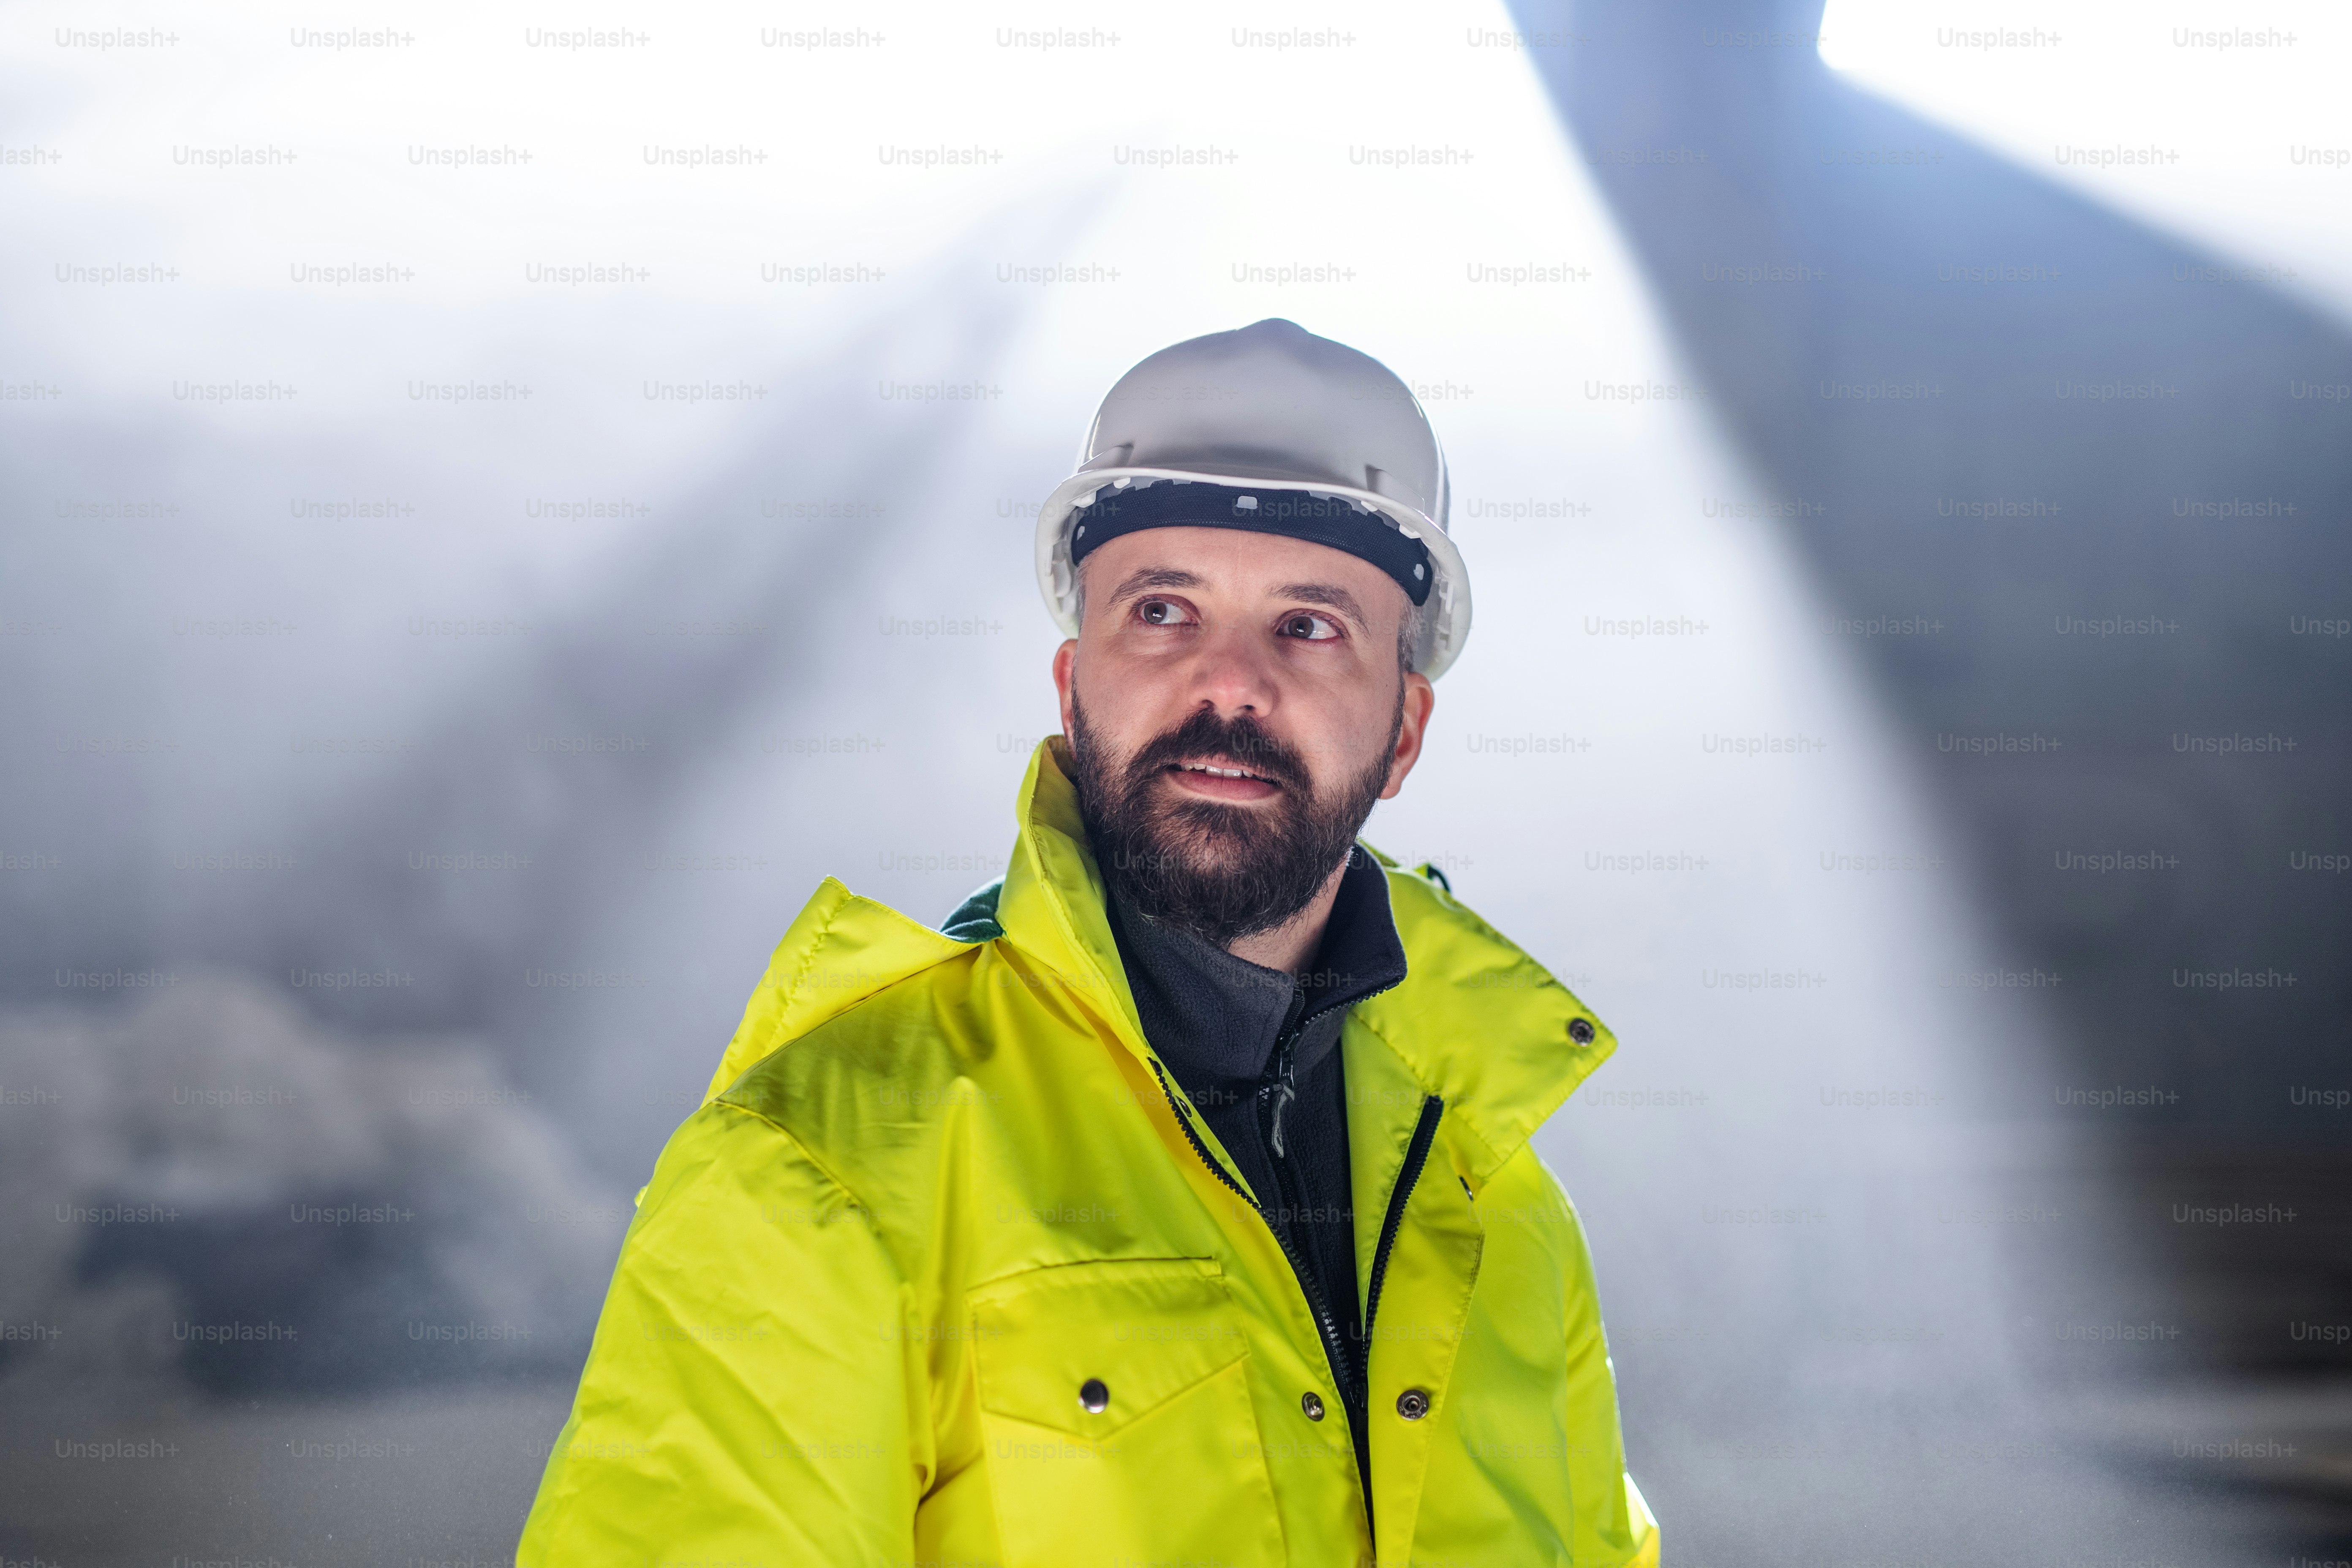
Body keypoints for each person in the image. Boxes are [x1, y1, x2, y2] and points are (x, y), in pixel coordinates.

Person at [518, 318, 1660, 1568]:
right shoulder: (825, 1161)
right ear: (1073, 687)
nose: (1229, 687)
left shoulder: (1497, 1204)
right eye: (1163, 611)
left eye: (1311, 626)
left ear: (1405, 730)